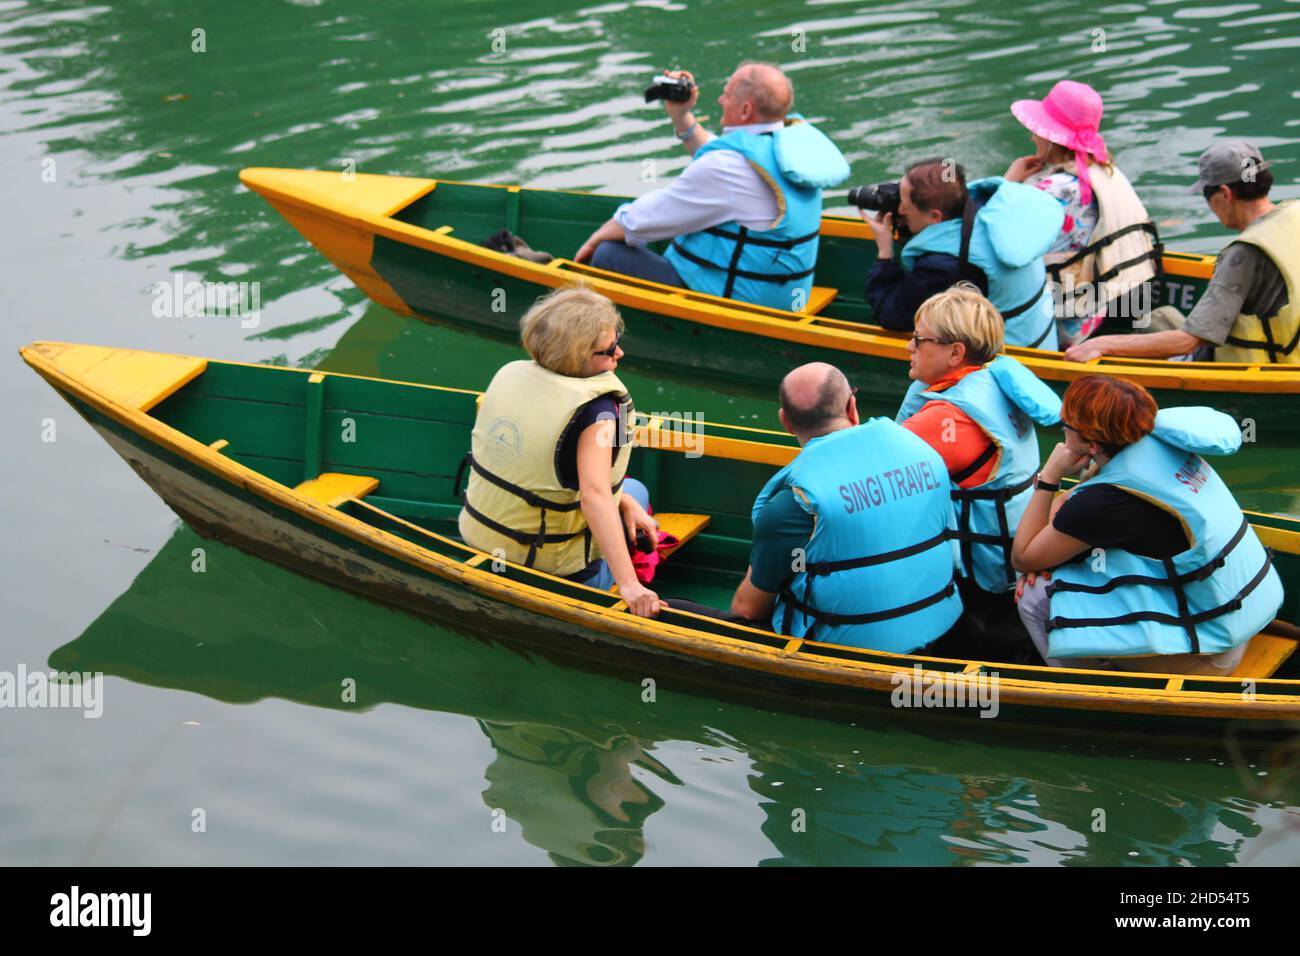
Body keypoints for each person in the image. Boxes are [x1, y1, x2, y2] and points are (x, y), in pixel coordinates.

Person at [1011, 375, 1282, 674]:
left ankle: (1091, 692)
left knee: (1036, 596)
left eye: (1066, 423)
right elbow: (1072, 507)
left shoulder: (1105, 501)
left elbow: (1023, 557)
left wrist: (1049, 478)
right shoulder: (1156, 446)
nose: (1061, 428)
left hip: (1208, 658)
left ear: (1091, 441)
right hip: (1239, 622)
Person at [705, 362, 965, 654]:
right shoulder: (925, 453)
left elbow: (748, 609)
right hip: (941, 632)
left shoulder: (792, 504)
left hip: (848, 653)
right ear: (852, 407)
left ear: (785, 422)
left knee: (679, 609)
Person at [573, 62, 849, 312]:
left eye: (726, 94)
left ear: (745, 110)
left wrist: (592, 242)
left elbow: (639, 221)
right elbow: (723, 159)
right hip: (781, 297)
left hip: (736, 305)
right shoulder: (788, 146)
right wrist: (681, 117)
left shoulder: (726, 167)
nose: (719, 99)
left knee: (609, 252)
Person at [458, 286, 661, 617]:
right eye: (609, 350)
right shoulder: (601, 410)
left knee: (629, 496)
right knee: (637, 489)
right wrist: (629, 585)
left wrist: (621, 501)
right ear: (578, 355)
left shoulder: (511, 374)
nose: (620, 354)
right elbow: (594, 495)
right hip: (553, 574)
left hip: (479, 541)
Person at [894, 286, 1061, 660]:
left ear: (956, 353)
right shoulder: (990, 383)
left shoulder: (948, 416)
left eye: (919, 340)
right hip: (1012, 567)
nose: (909, 347)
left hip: (979, 587)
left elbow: (868, 477)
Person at [1065, 141, 1299, 365]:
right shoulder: (1293, 213)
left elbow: (1188, 341)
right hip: (1292, 348)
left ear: (1225, 194)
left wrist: (1103, 344)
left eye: (1207, 197)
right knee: (1163, 316)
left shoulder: (1245, 254)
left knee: (1154, 321)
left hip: (1255, 364)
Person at [1004, 80, 1161, 346]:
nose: (1033, 136)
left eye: (1038, 130)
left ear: (1053, 137)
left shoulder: (1054, 190)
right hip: (1094, 311)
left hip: (1053, 321)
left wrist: (1009, 182)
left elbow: (997, 241)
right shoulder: (1105, 171)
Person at [863, 158, 1065, 349]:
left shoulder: (941, 265)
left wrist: (885, 252)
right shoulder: (995, 211)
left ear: (935, 216)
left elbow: (892, 316)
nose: (900, 209)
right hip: (1040, 338)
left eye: (904, 203)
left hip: (1010, 359)